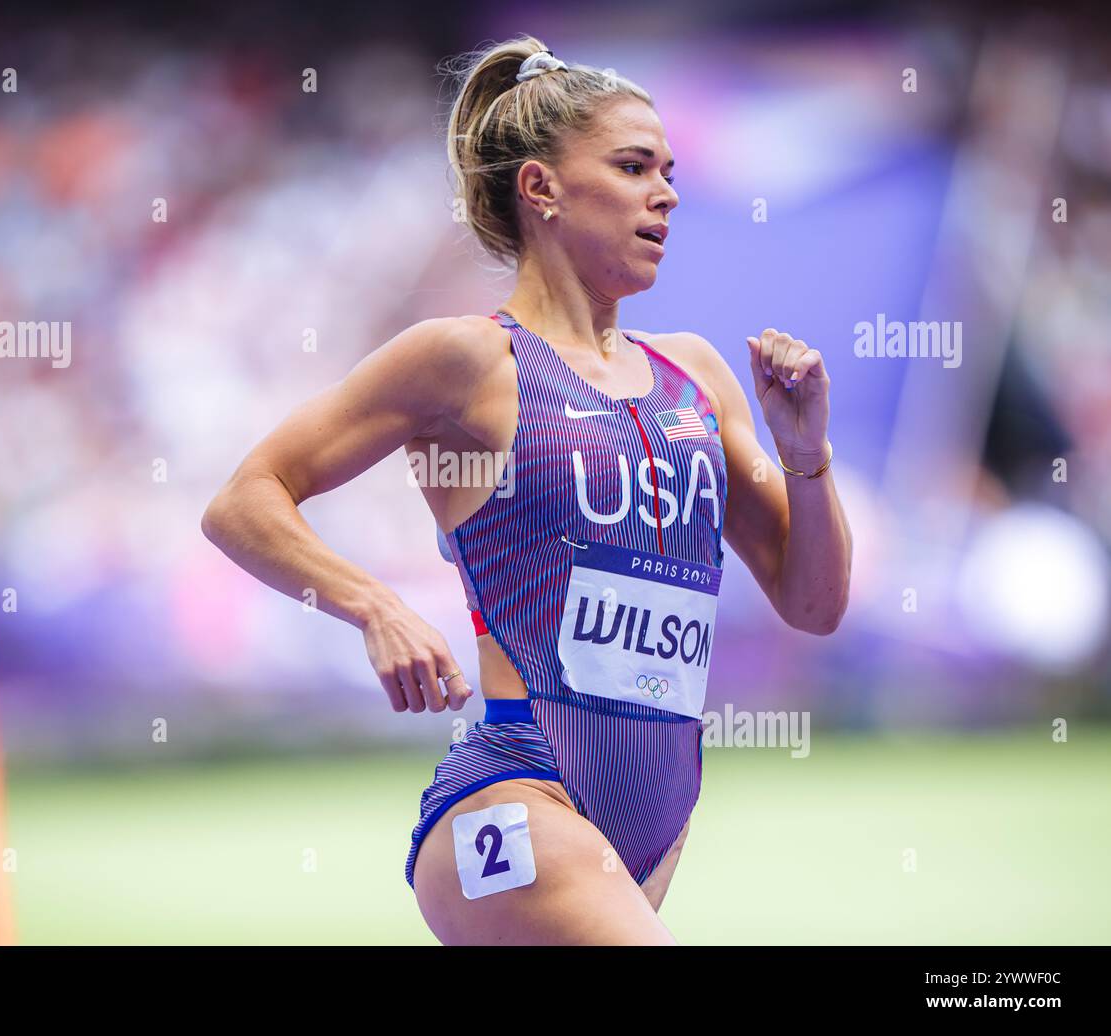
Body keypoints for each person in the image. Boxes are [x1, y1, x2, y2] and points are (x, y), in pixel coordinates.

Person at [201, 35, 852, 945]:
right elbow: (243, 500)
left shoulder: (698, 376)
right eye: (632, 167)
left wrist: (805, 457)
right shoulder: (466, 359)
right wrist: (373, 607)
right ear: (540, 187)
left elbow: (815, 604)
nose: (666, 192)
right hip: (512, 792)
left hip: (656, 820)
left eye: (669, 170)